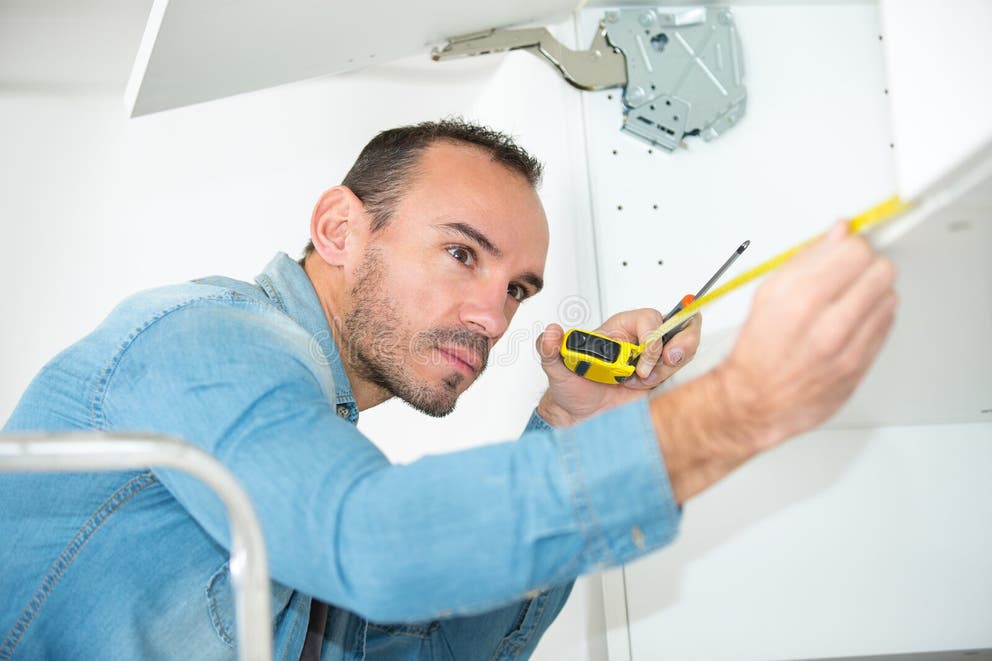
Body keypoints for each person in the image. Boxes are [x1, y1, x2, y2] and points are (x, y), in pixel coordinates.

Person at [0, 119, 896, 660]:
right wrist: (735, 411)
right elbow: (375, 544)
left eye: (516, 288)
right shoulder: (204, 339)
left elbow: (439, 650)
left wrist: (570, 424)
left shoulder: (314, 450)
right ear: (340, 228)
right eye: (463, 253)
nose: (494, 316)